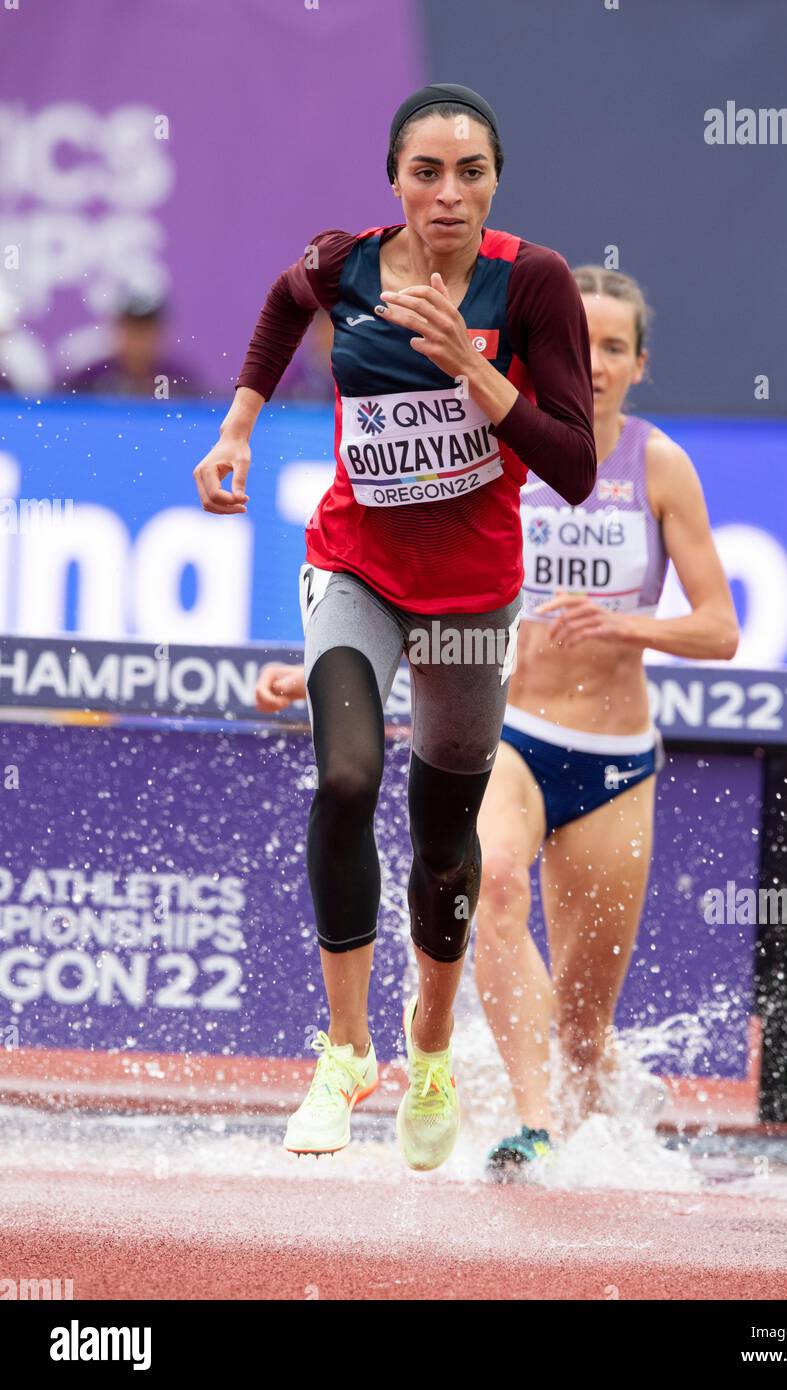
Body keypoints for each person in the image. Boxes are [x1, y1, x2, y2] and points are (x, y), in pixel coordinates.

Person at [193, 83, 597, 1171]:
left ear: (494, 181)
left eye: (469, 172)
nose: (447, 193)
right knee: (343, 776)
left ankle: (428, 1040)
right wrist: (238, 425)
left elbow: (571, 464)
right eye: (426, 172)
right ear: (395, 181)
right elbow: (284, 305)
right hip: (354, 565)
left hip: (470, 594)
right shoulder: (348, 265)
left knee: (440, 838)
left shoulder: (536, 284)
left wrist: (474, 370)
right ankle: (344, 1050)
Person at [475, 268, 739, 1177]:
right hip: (509, 732)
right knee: (498, 885)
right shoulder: (499, 448)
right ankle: (530, 1123)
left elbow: (720, 629)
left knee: (587, 1027)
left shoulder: (658, 466)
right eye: (577, 344)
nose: (592, 364)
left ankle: (602, 1166)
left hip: (615, 756)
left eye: (614, 348)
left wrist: (624, 622)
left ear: (638, 365)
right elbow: (413, 572)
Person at [62, 291, 200, 396]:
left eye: (146, 328)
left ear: (161, 332)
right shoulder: (91, 380)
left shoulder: (180, 381)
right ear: (117, 329)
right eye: (132, 328)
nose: (138, 339)